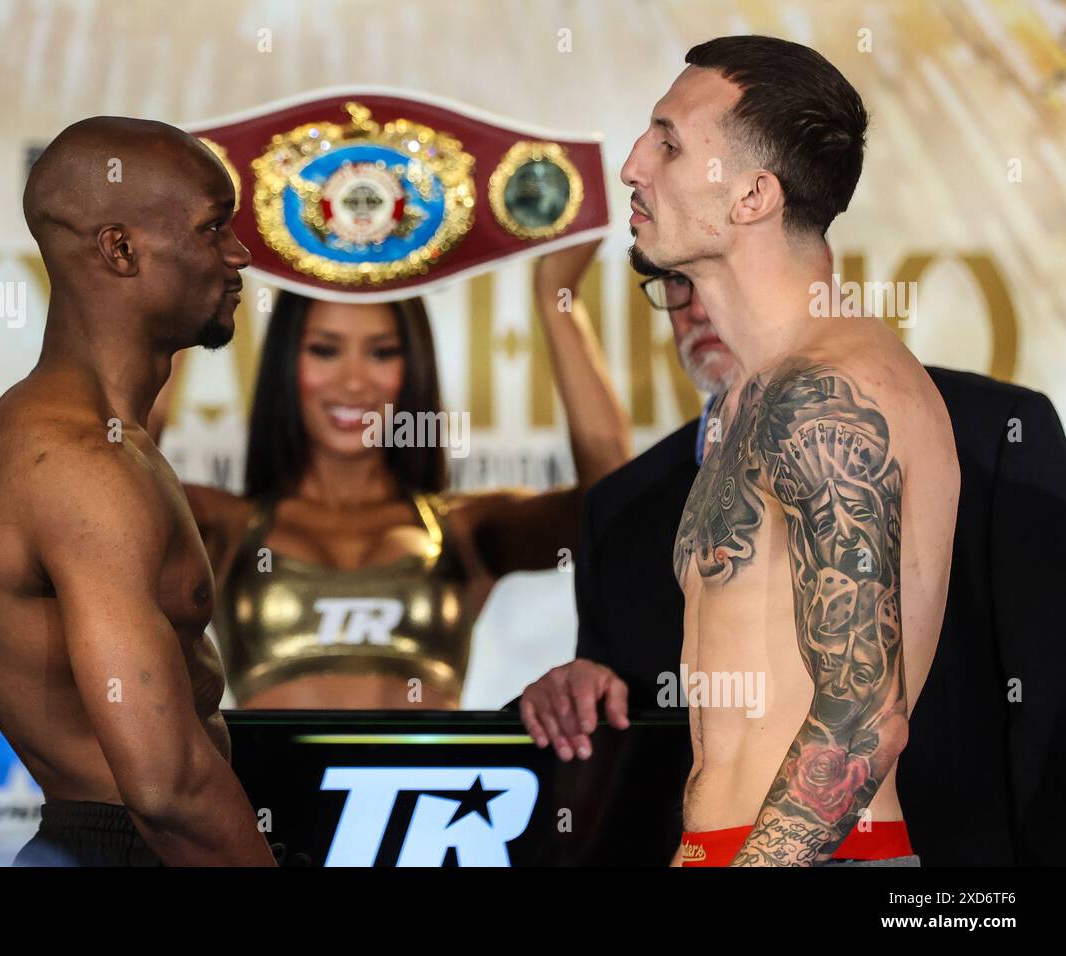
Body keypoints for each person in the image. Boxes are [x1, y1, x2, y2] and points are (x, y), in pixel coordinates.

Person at [574, 35, 961, 867]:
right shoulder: (756, 394)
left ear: (753, 195)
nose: (635, 166)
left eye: (670, 143)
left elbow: (863, 719)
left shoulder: (833, 389)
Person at [0, 116, 273, 866]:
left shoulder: (97, 435)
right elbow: (165, 788)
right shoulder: (76, 460)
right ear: (120, 249)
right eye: (214, 228)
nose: (240, 256)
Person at [153, 240, 630, 709]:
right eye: (325, 350)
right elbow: (118, 475)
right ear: (285, 362)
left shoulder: (460, 530)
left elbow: (613, 504)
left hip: (432, 789)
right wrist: (186, 304)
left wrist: (558, 296)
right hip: (263, 790)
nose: (354, 381)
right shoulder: (222, 526)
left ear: (414, 365)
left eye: (382, 353)